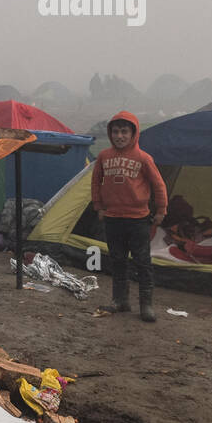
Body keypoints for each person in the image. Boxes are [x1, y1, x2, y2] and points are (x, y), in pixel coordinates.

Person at [92, 111, 167, 323]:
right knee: (117, 260)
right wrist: (98, 206)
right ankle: (120, 300)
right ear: (110, 133)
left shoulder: (143, 158)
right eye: (115, 132)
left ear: (133, 133)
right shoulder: (104, 157)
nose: (120, 136)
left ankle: (146, 304)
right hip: (113, 217)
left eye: (124, 132)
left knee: (143, 261)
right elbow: (96, 182)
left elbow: (159, 185)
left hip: (138, 218)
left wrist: (161, 210)